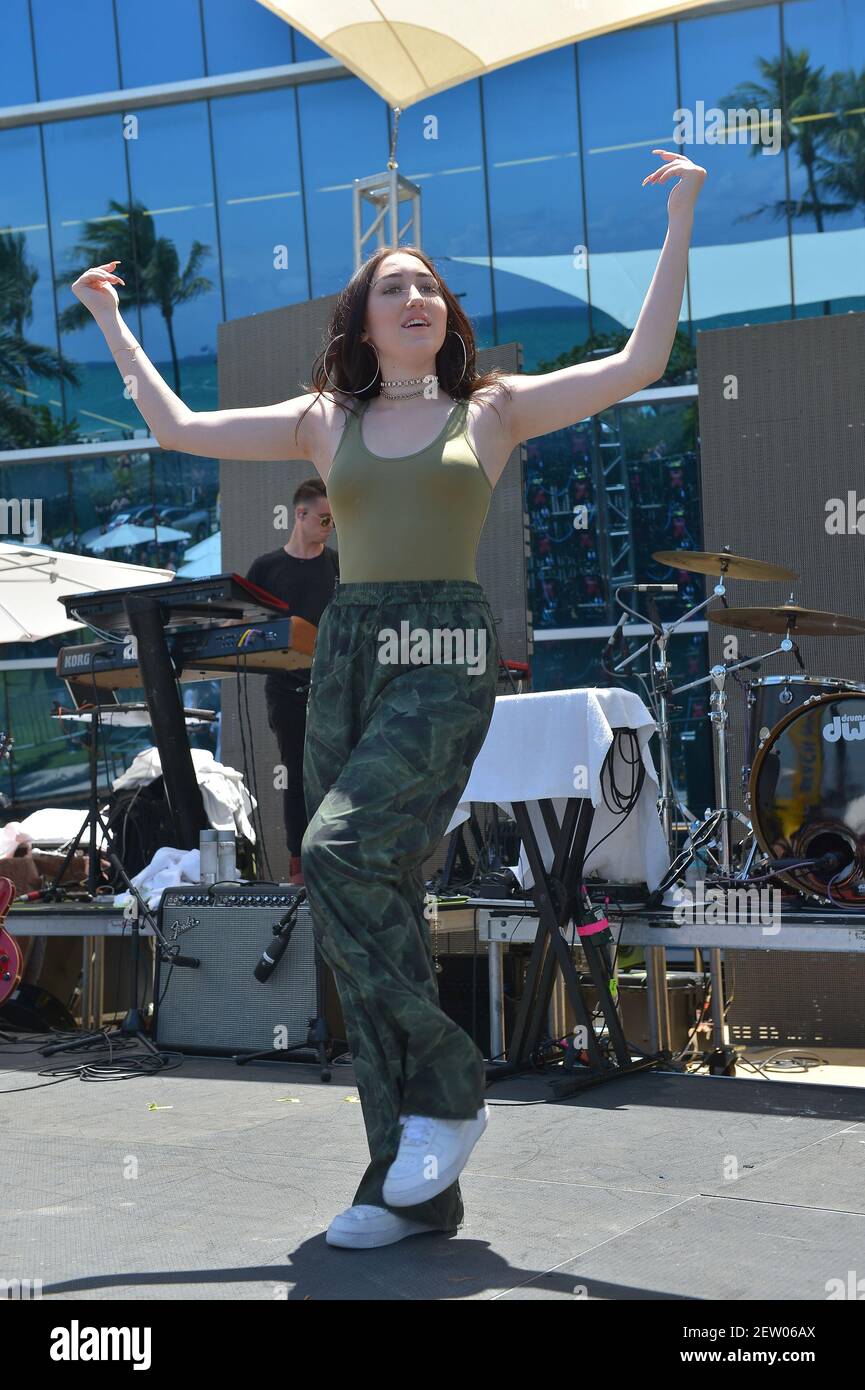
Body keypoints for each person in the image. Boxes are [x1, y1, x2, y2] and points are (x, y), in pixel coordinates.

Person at [71, 147, 706, 1251]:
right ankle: (402, 1181)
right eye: (391, 286)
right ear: (362, 323)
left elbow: (639, 359)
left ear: (444, 317)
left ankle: (449, 1086)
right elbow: (179, 428)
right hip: (349, 654)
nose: (414, 296)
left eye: (427, 285)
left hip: (443, 645)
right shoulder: (327, 420)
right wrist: (112, 322)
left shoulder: (491, 409)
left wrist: (683, 212)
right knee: (365, 902)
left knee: (345, 848)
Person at [245, 478, 339, 885]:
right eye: (323, 518)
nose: (329, 525)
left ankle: (338, 857)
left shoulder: (338, 564)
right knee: (296, 774)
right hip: (285, 689)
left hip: (333, 687)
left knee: (337, 771)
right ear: (300, 515)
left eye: (333, 519)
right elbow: (245, 626)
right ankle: (299, 866)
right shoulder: (266, 569)